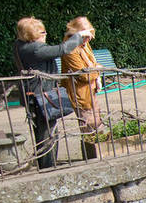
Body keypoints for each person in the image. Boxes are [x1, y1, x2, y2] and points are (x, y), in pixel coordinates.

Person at [13, 16, 90, 169]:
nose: (46, 34)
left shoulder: (20, 45)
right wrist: (79, 36)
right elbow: (62, 49)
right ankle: (48, 167)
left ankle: (46, 164)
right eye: (43, 32)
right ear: (33, 35)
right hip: (40, 95)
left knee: (45, 131)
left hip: (33, 95)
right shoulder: (34, 49)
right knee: (47, 133)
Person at [60, 16, 102, 139]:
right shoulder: (70, 48)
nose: (88, 39)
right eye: (85, 36)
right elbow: (83, 74)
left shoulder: (84, 43)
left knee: (97, 123)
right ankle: (92, 155)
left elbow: (92, 64)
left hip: (91, 89)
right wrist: (98, 69)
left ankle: (95, 150)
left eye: (89, 36)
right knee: (89, 126)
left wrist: (95, 70)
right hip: (80, 94)